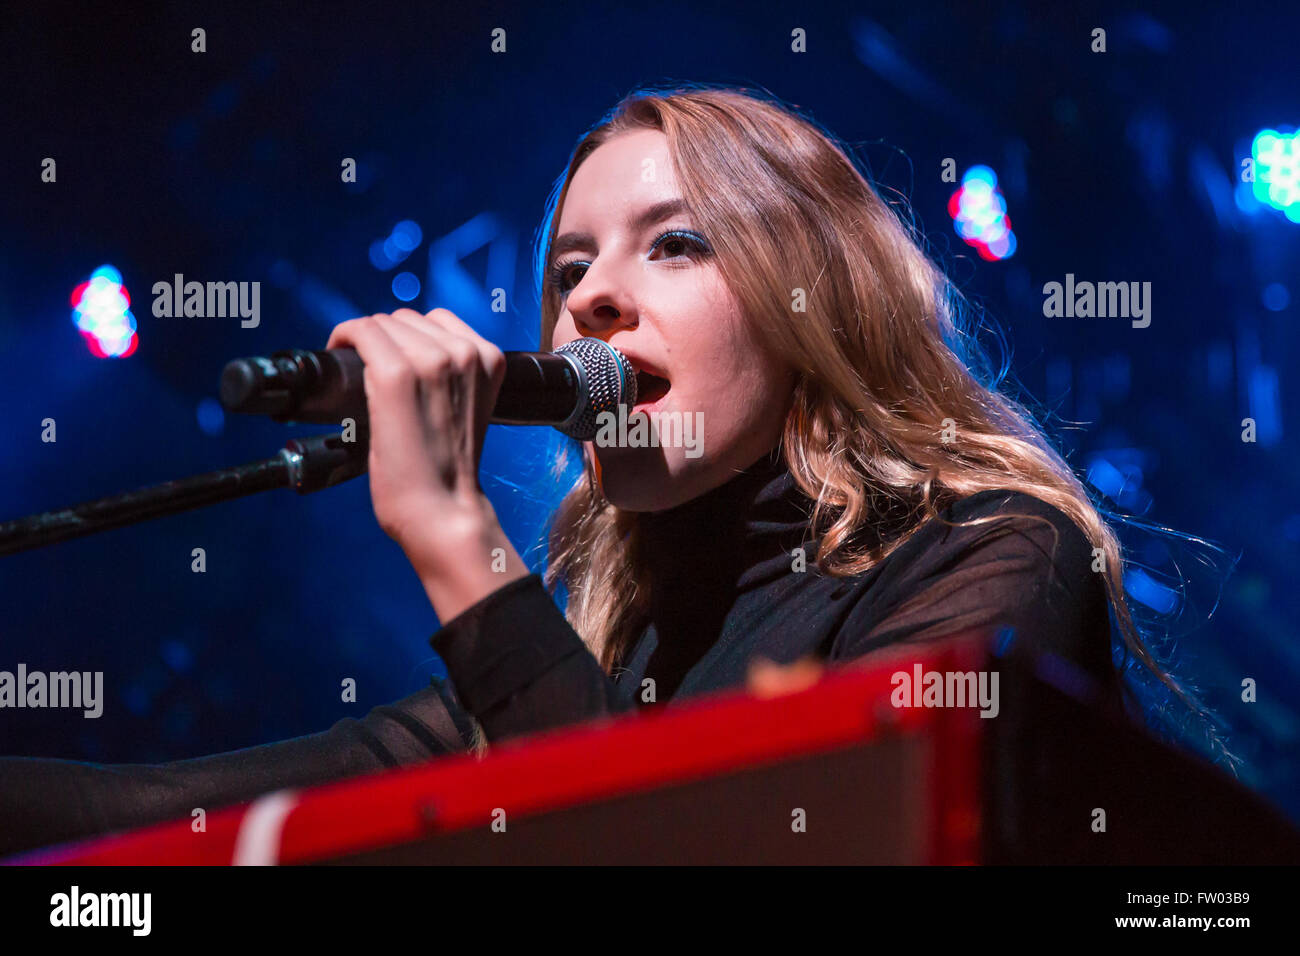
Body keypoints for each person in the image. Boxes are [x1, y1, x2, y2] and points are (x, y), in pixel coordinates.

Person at [0, 85, 1201, 857]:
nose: (588, 297)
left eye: (675, 243)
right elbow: (148, 814)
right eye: (568, 267)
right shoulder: (589, 655)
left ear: (811, 300)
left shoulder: (989, 553)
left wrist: (454, 537)